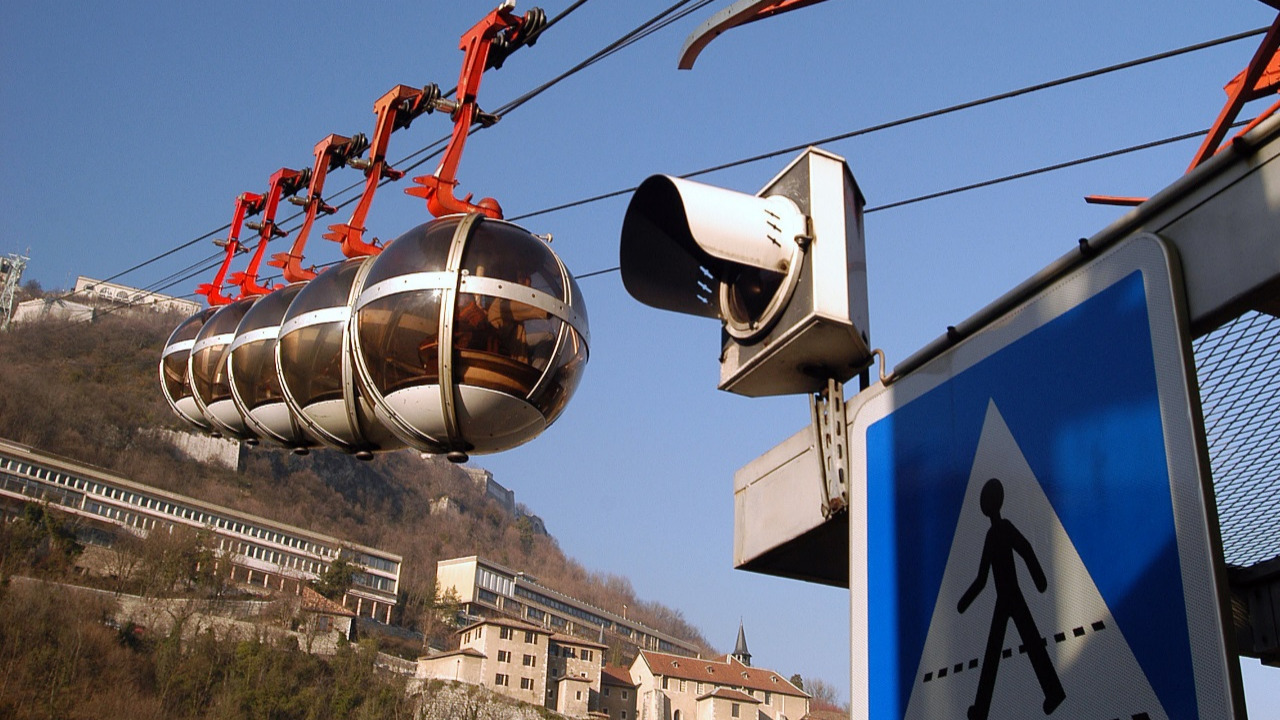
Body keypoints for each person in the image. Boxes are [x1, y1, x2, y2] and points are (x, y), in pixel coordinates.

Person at [957, 477, 1066, 720]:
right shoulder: (992, 534)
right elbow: (982, 577)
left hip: (1011, 595)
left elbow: (1026, 548)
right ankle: (1051, 691)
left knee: (1015, 646)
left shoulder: (1004, 528)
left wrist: (1040, 581)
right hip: (1005, 597)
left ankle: (1052, 692)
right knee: (1005, 648)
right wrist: (964, 602)